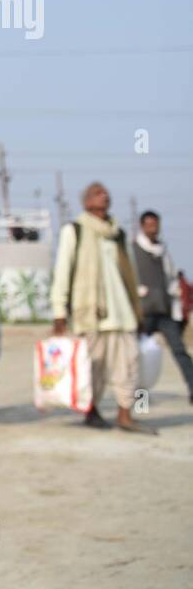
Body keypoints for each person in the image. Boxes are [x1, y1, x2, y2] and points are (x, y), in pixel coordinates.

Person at [50, 182, 153, 434]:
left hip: (123, 314)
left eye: (106, 192)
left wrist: (138, 311)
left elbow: (132, 274)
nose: (104, 195)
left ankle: (125, 415)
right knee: (92, 368)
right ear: (86, 202)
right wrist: (59, 310)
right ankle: (91, 411)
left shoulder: (118, 234)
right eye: (98, 193)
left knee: (129, 365)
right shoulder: (74, 230)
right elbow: (62, 270)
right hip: (90, 312)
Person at [132, 210, 193, 403]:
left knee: (180, 351)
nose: (153, 229)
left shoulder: (163, 250)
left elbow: (171, 279)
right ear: (142, 226)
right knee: (140, 357)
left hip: (165, 312)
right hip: (144, 314)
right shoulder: (133, 250)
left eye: (155, 225)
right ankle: (140, 402)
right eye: (149, 225)